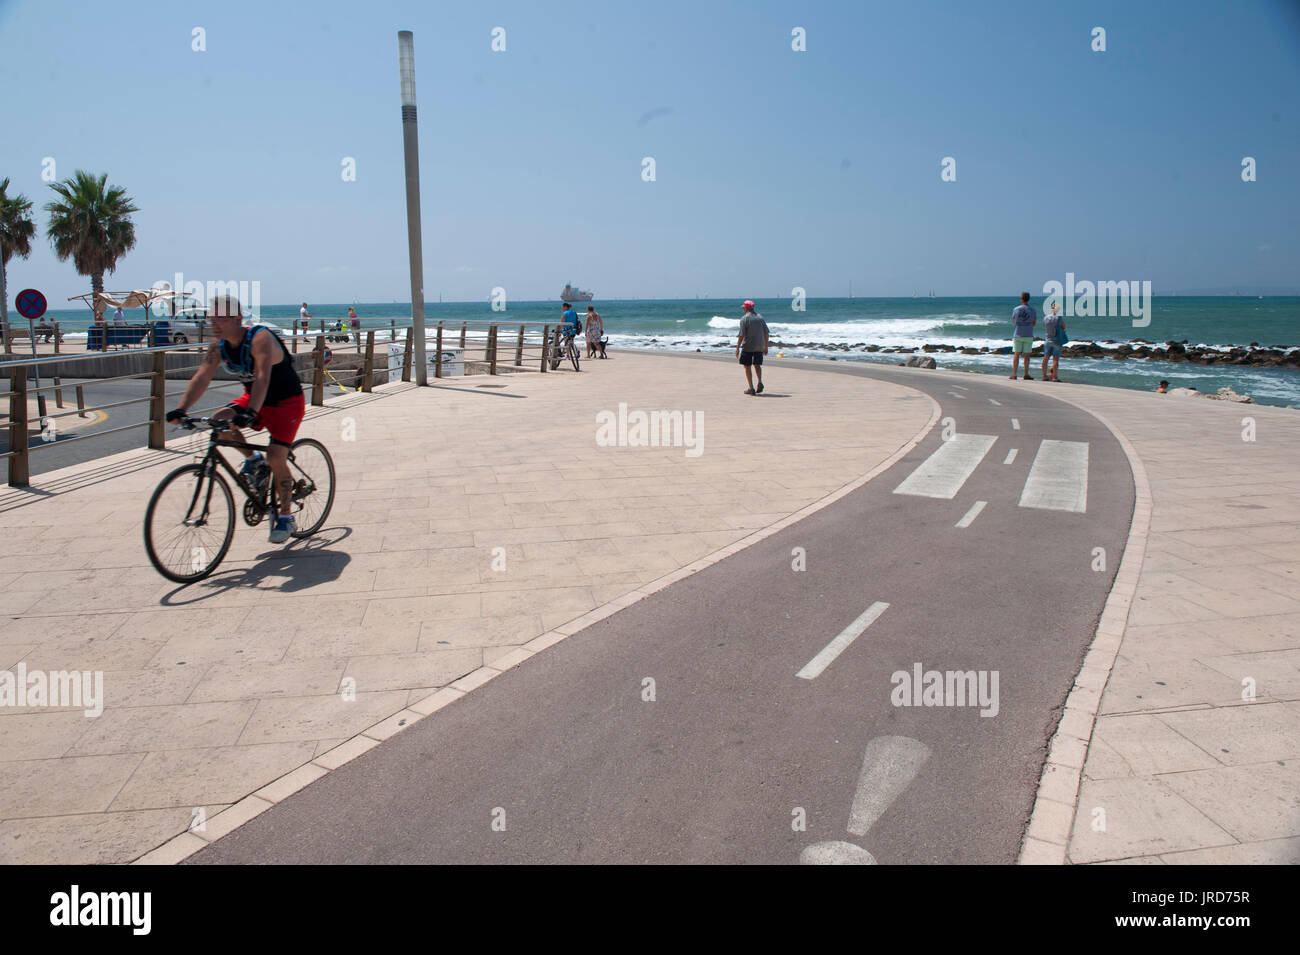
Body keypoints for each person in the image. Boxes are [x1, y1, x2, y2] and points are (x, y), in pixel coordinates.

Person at [167, 294, 307, 543]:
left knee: (276, 456)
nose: (214, 323)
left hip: (286, 403)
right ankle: (254, 461)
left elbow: (263, 376)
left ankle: (286, 516)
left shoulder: (259, 338)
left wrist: (251, 413)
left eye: (221, 318)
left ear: (238, 318)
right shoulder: (218, 345)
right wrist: (181, 409)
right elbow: (202, 377)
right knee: (218, 421)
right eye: (212, 318)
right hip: (253, 398)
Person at [735, 299, 769, 394]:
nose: (743, 309)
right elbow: (766, 333)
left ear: (746, 308)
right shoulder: (760, 317)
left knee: (747, 366)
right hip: (759, 345)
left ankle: (751, 387)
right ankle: (760, 382)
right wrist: (766, 346)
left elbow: (741, 335)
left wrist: (737, 348)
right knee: (757, 365)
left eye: (744, 308)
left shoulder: (744, 319)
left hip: (748, 346)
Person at [1009, 292, 1037, 380]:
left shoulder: (1016, 309)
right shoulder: (1032, 310)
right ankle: (1026, 374)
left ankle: (1014, 374)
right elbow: (1034, 322)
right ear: (1028, 299)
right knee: (1027, 356)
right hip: (1028, 334)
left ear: (1021, 299)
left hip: (1018, 334)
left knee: (1016, 354)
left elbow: (1014, 321)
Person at [1041, 301, 1066, 382]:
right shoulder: (1058, 318)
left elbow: (1045, 326)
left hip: (1047, 340)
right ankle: (1054, 377)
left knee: (1046, 358)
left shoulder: (1045, 318)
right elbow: (1064, 327)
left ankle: (1044, 376)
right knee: (1055, 359)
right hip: (1056, 341)